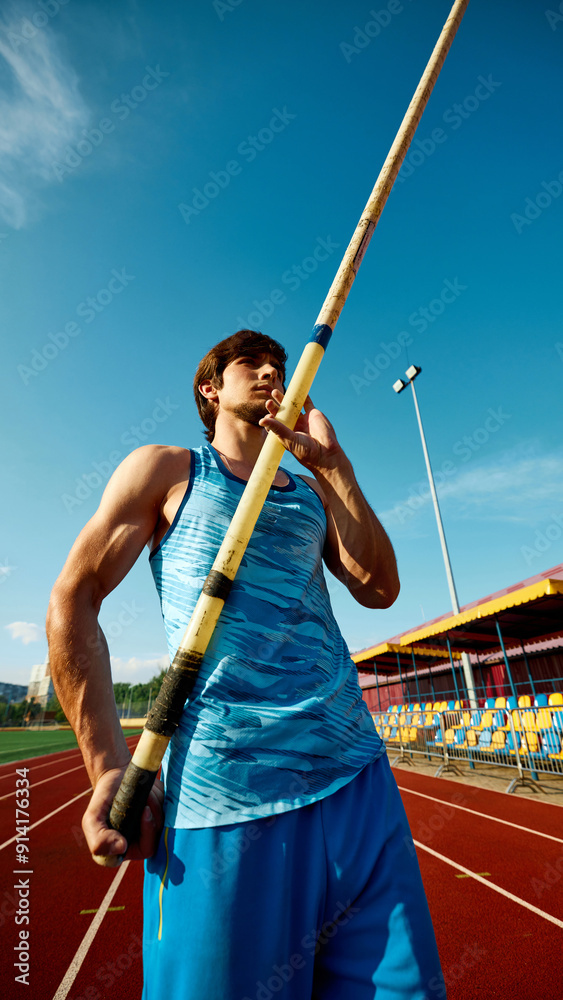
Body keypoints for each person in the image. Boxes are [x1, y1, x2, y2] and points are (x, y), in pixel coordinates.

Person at [47, 330, 446, 999]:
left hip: (355, 779)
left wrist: (334, 465)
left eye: (280, 366)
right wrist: (110, 765)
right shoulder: (170, 471)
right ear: (210, 388)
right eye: (250, 364)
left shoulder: (311, 493)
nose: (271, 371)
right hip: (226, 801)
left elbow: (379, 589)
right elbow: (74, 597)